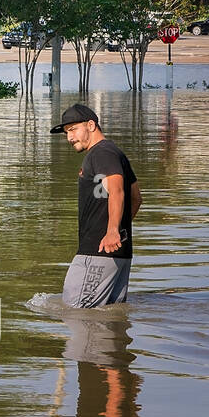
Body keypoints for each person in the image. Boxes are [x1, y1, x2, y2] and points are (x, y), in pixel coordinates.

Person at [51, 104, 142, 308]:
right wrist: (118, 231)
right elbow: (135, 198)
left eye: (73, 130)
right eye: (66, 133)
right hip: (118, 252)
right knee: (110, 320)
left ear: (91, 125)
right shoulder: (114, 152)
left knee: (75, 312)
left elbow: (117, 189)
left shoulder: (101, 153)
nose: (69, 138)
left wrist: (111, 232)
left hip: (97, 250)